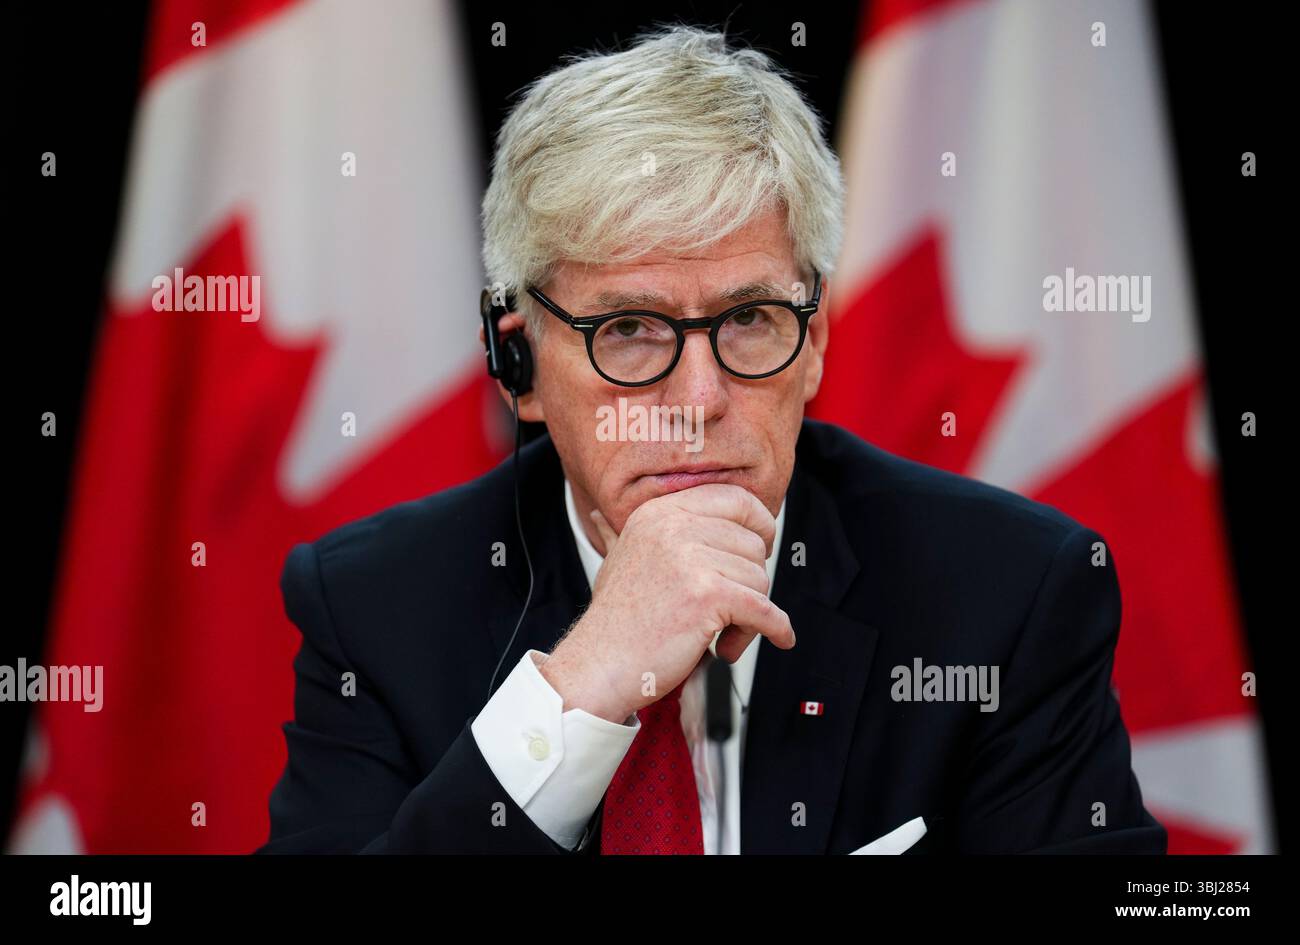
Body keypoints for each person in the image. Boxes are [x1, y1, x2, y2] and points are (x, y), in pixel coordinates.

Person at [258, 26, 1164, 855]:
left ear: (816, 342)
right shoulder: (376, 610)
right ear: (518, 366)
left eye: (751, 319)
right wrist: (581, 685)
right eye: (629, 330)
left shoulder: (1007, 595)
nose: (699, 399)